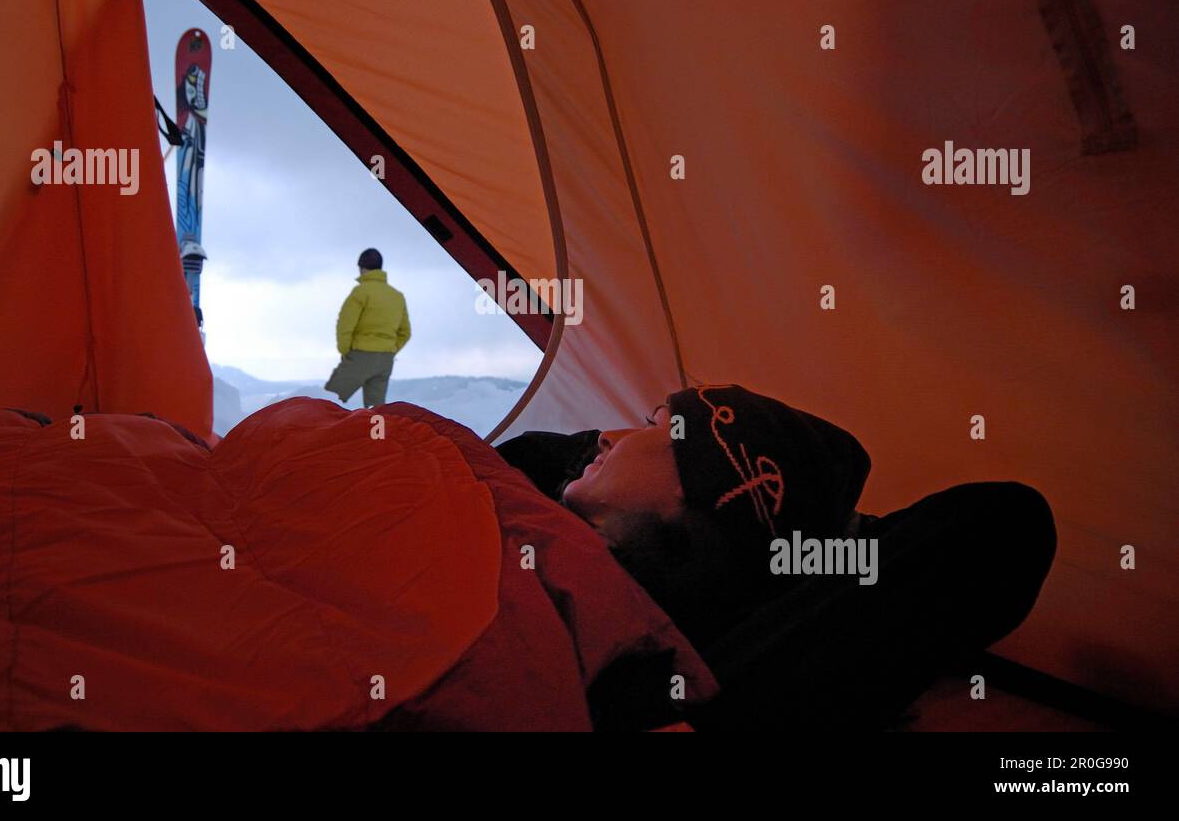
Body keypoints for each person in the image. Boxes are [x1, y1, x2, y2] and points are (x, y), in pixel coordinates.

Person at [496, 383, 1057, 731]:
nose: (603, 438)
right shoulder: (518, 490)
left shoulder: (698, 659)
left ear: (708, 486)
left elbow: (997, 524)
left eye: (656, 424)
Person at [324, 248, 411, 408]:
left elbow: (345, 325)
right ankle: (376, 434)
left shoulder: (360, 292)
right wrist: (390, 349)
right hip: (386, 359)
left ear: (362, 268)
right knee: (375, 410)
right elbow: (405, 332)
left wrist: (346, 351)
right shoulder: (397, 296)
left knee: (328, 401)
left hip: (360, 356)